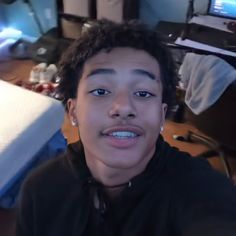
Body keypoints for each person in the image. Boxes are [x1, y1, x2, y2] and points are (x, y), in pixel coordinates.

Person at [16, 20, 236, 236]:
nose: (123, 107)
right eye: (100, 91)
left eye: (143, 93)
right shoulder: (40, 190)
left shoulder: (201, 190)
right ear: (73, 111)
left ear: (161, 115)